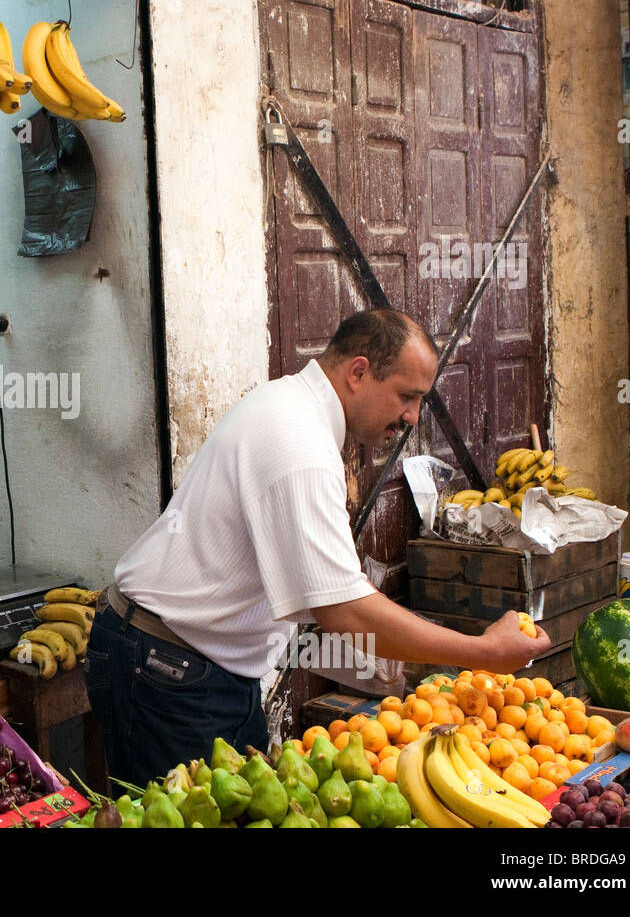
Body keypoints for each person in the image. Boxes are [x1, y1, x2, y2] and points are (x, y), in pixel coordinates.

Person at [84, 308, 552, 786]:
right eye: (407, 397)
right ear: (359, 372)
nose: (411, 417)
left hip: (200, 665)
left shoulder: (293, 409)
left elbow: (333, 599)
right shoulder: (299, 442)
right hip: (167, 669)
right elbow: (344, 611)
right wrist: (484, 653)